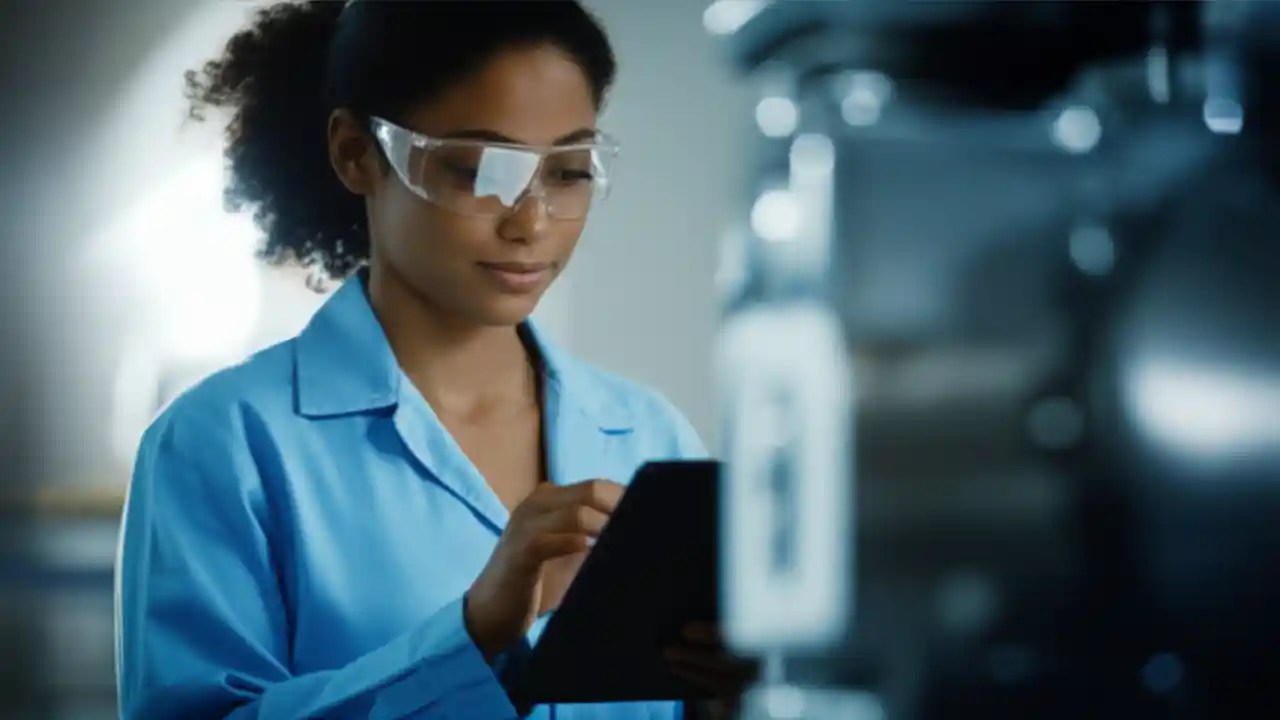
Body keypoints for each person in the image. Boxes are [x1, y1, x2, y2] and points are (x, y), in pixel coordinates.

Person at [114, 2, 751, 718]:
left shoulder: (648, 437)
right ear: (357, 153)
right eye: (479, 169)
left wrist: (731, 698)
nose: (530, 222)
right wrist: (470, 634)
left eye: (568, 171)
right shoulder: (222, 443)